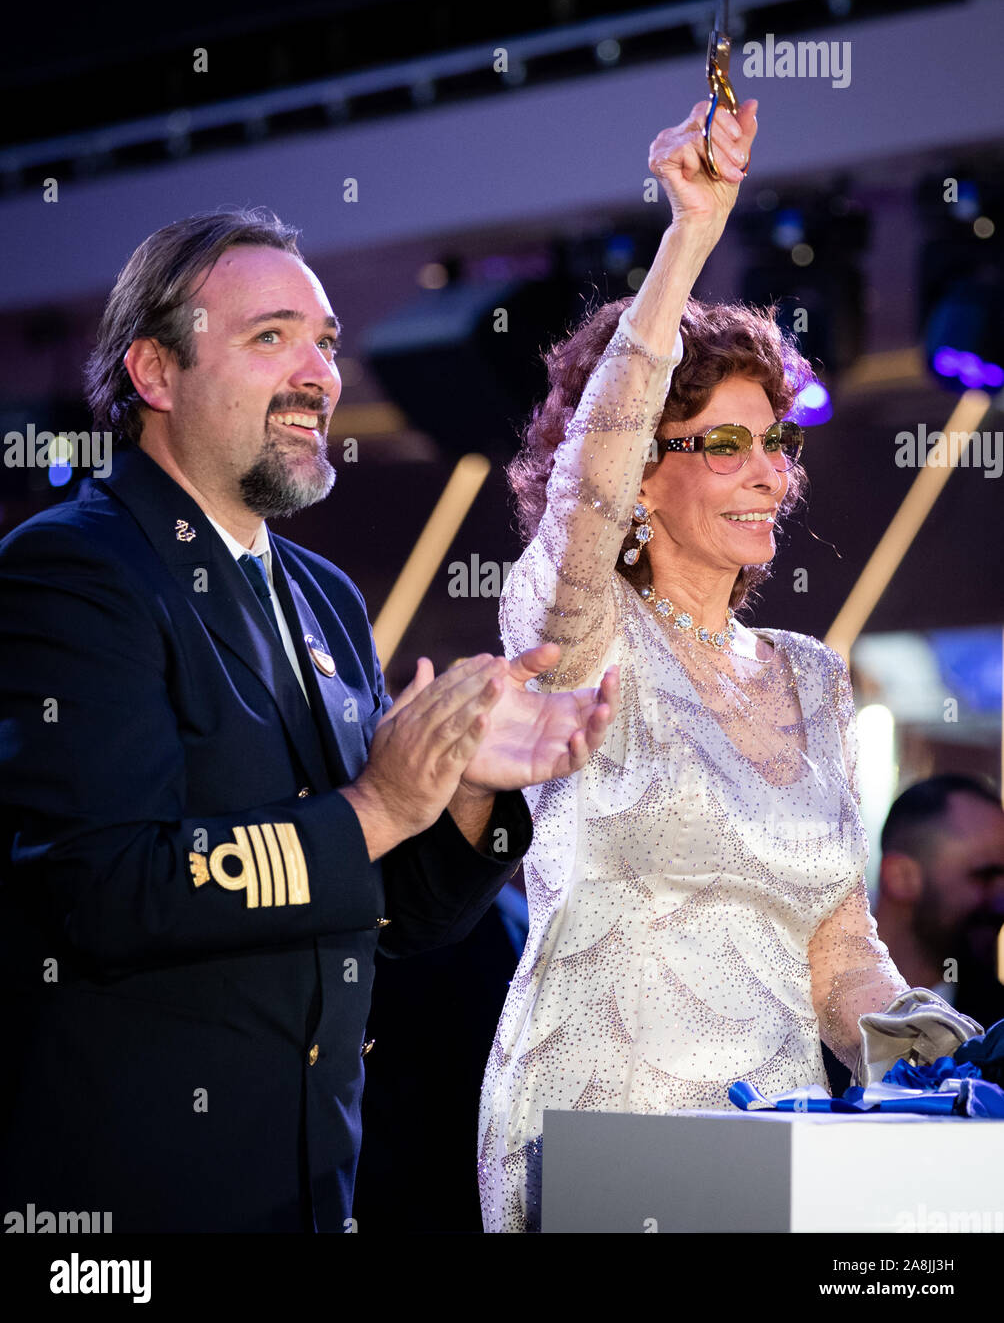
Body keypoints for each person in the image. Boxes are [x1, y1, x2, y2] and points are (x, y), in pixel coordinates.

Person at [0, 208, 619, 1233]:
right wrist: (377, 803)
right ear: (154, 372)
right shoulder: (74, 570)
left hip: (313, 1193)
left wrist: (465, 790)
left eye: (324, 341)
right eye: (269, 336)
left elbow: (390, 915)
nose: (318, 373)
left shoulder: (322, 596)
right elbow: (108, 892)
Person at [477, 100, 972, 1232]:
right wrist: (688, 235)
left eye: (774, 442)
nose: (768, 473)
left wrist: (938, 1053)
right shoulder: (576, 626)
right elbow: (585, 482)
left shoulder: (808, 674)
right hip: (599, 1129)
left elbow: (836, 950)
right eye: (722, 443)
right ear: (644, 482)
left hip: (776, 1149)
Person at [876, 774, 1004, 1029]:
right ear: (900, 877)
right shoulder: (801, 1016)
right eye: (984, 876)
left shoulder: (997, 1027)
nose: (1001, 901)